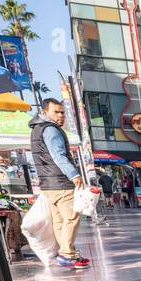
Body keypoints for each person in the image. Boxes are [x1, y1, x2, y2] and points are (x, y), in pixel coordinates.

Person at [27, 98, 89, 269]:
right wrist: (74, 174)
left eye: (62, 112)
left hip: (48, 184)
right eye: (57, 112)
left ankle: (68, 254)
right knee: (72, 217)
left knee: (59, 220)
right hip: (60, 182)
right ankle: (67, 254)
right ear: (46, 112)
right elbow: (58, 156)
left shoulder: (37, 129)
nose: (61, 116)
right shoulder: (51, 130)